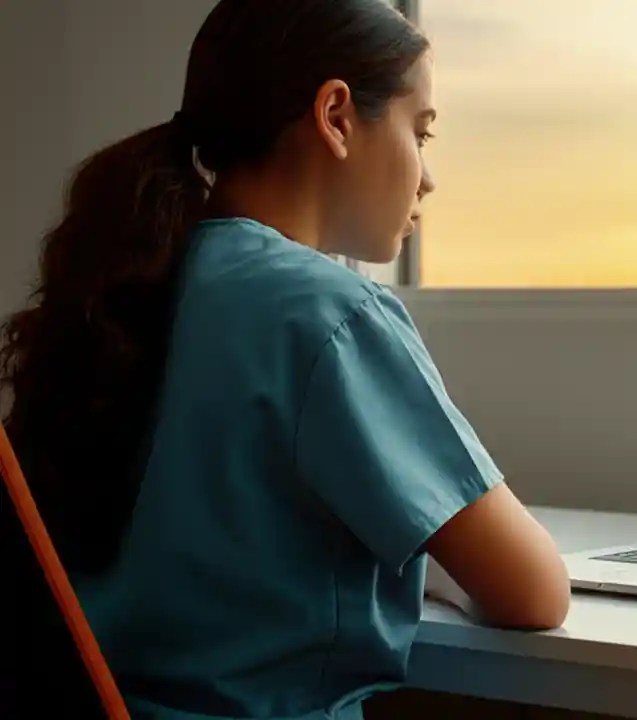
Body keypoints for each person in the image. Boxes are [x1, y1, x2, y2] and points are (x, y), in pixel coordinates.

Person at [0, 1, 570, 717]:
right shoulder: (327, 311)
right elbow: (534, 591)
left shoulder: (132, 281)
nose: (427, 178)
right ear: (335, 114)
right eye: (419, 133)